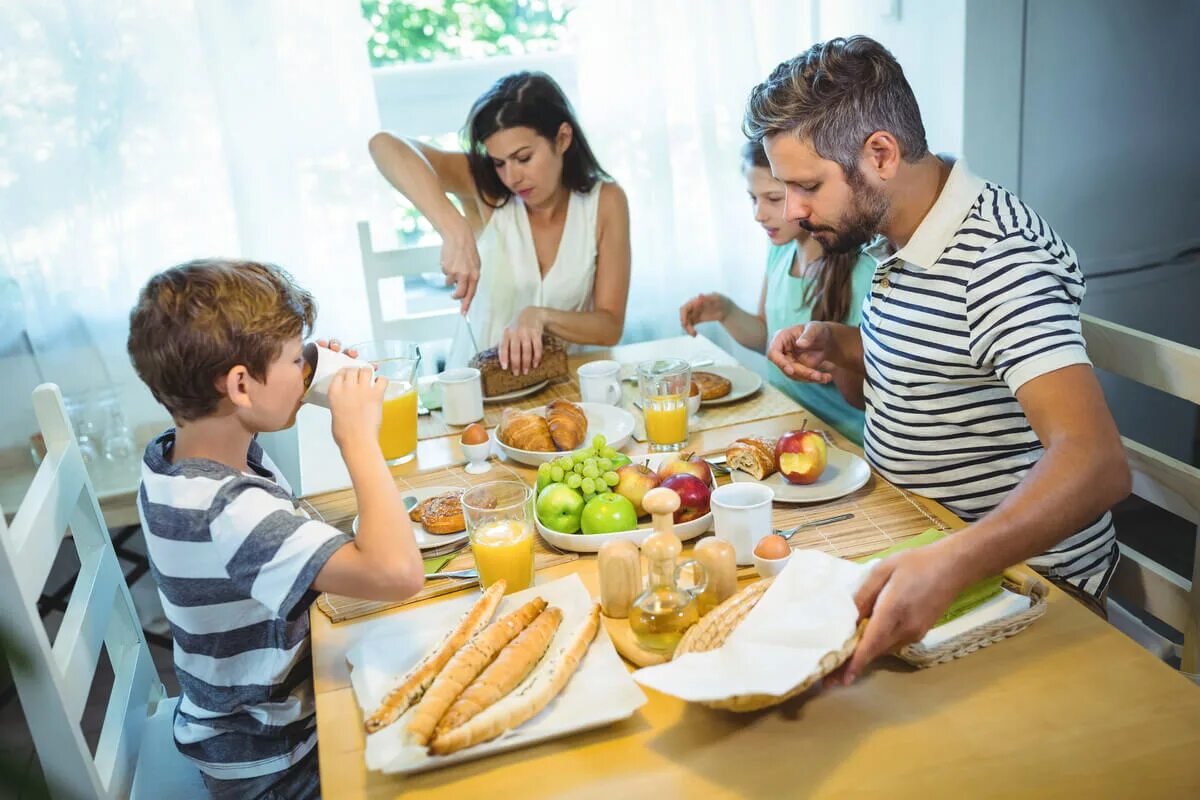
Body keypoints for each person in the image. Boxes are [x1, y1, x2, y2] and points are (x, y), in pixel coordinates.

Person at [743, 36, 1131, 682]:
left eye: (807, 186)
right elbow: (947, 376)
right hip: (921, 535)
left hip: (1029, 583)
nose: (797, 212)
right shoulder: (899, 233)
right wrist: (848, 348)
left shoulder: (999, 259)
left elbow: (1096, 462)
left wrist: (953, 560)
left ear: (881, 155)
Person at [127, 259, 425, 798]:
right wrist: (357, 438)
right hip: (277, 762)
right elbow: (399, 571)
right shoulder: (229, 513)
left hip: (242, 725)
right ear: (240, 385)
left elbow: (269, 527)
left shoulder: (181, 463)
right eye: (295, 357)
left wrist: (300, 380)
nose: (305, 365)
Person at [369, 71, 631, 376]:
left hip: (567, 389)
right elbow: (383, 144)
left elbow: (609, 326)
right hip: (479, 392)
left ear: (562, 139)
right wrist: (454, 229)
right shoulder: (488, 189)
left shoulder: (606, 202)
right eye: (499, 162)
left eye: (523, 157)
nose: (511, 177)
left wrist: (539, 316)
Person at [678, 139, 875, 445]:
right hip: (790, 422)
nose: (759, 213)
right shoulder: (779, 251)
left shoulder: (863, 272)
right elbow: (769, 339)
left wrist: (832, 356)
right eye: (752, 198)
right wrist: (725, 311)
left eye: (772, 198)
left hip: (844, 440)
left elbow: (868, 394)